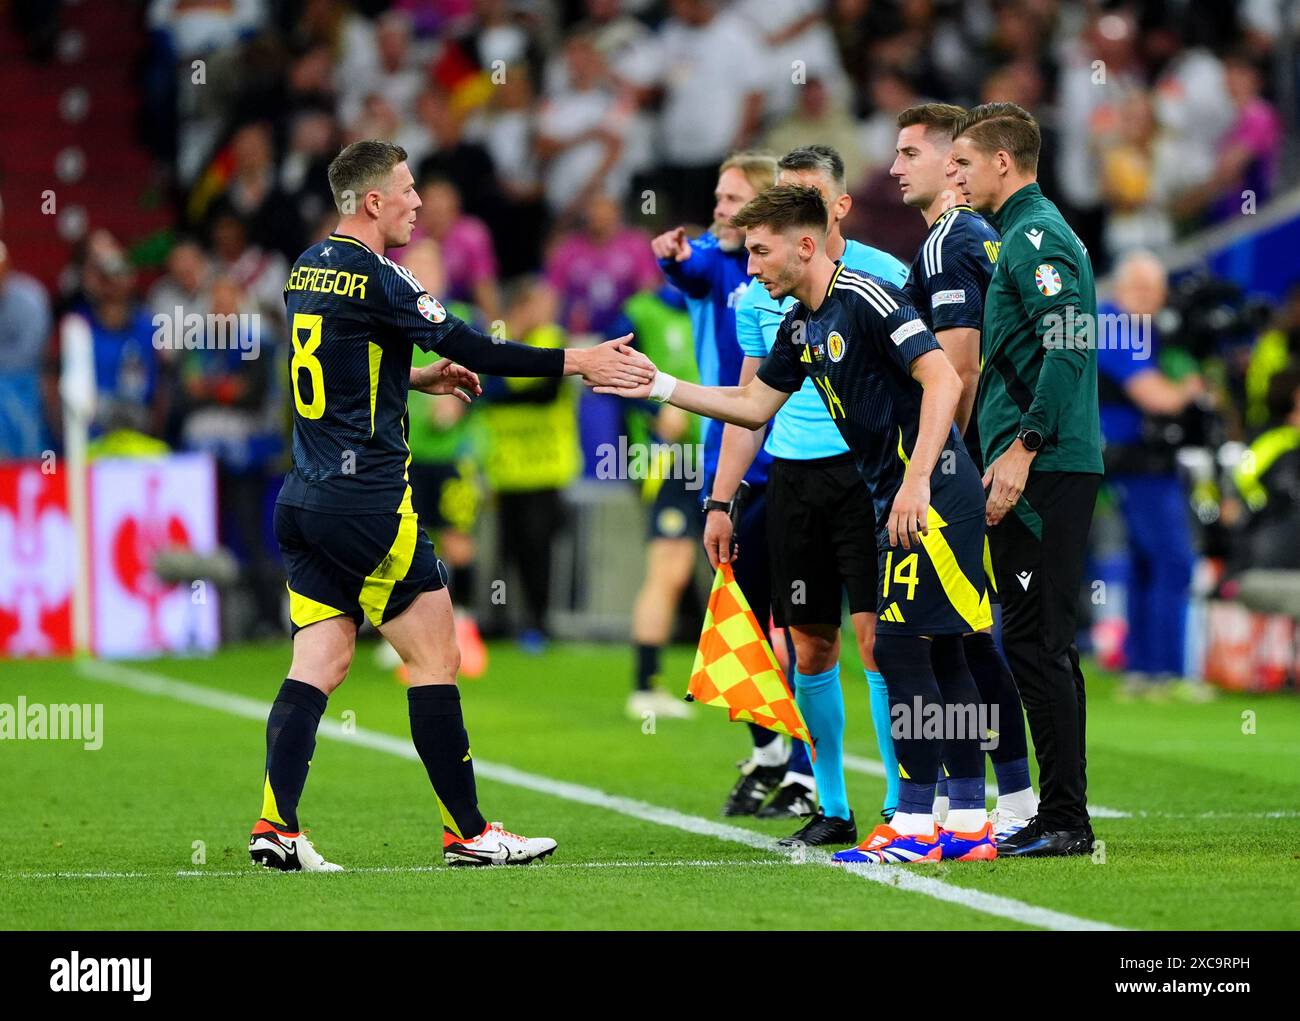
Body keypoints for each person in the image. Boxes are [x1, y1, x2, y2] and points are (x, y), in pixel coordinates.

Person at [250, 139, 652, 872]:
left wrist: (416, 376)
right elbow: (479, 343)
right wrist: (578, 360)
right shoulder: (384, 276)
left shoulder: (307, 266)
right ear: (373, 201)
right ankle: (468, 831)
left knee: (320, 659)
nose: (416, 202)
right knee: (437, 655)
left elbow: (341, 361)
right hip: (368, 503)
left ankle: (276, 824)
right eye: (405, 190)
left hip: (303, 497)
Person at [598, 184, 998, 865]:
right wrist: (659, 385)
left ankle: (917, 822)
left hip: (930, 495)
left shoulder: (869, 299)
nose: (750, 269)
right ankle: (964, 823)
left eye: (760, 252)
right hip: (898, 497)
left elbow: (943, 379)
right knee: (934, 651)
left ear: (805, 246)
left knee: (908, 651)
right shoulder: (799, 326)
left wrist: (919, 477)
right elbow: (753, 405)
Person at [709, 145, 907, 846]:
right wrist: (720, 499)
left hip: (866, 477)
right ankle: (829, 804)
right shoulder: (763, 293)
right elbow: (750, 399)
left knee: (877, 639)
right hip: (793, 481)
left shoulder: (885, 279)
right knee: (809, 646)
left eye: (809, 198)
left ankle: (899, 803)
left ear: (836, 208)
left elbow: (933, 376)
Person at [951, 102, 1104, 857]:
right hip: (1043, 461)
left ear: (1002, 163)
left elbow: (1072, 337)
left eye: (966, 163)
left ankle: (1067, 820)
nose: (958, 176)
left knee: (1040, 642)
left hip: (1044, 465)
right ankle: (1060, 812)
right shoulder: (1022, 233)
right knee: (1037, 642)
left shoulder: (1034, 233)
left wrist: (1023, 446)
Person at [891, 103, 1038, 841]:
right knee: (968, 635)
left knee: (952, 639)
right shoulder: (973, 236)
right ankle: (1002, 795)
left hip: (963, 462)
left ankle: (989, 802)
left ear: (955, 162)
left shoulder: (950, 240)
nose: (896, 167)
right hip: (982, 456)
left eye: (911, 152)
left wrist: (939, 463)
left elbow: (961, 362)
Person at [651, 151, 810, 817]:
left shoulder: (784, 280)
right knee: (740, 620)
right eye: (717, 195)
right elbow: (686, 271)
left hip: (789, 460)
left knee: (795, 625)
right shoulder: (721, 265)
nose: (718, 206)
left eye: (732, 197)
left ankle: (801, 768)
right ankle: (775, 751)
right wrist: (669, 255)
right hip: (730, 458)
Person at [1096, 250, 1203, 697]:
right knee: (1172, 559)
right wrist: (1192, 388)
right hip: (1134, 464)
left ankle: (1143, 669)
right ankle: (1167, 670)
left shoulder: (1139, 329)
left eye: (1156, 290)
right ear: (1118, 288)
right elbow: (1157, 398)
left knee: (1145, 562)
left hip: (1133, 462)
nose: (1150, 299)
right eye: (1139, 288)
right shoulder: (1113, 325)